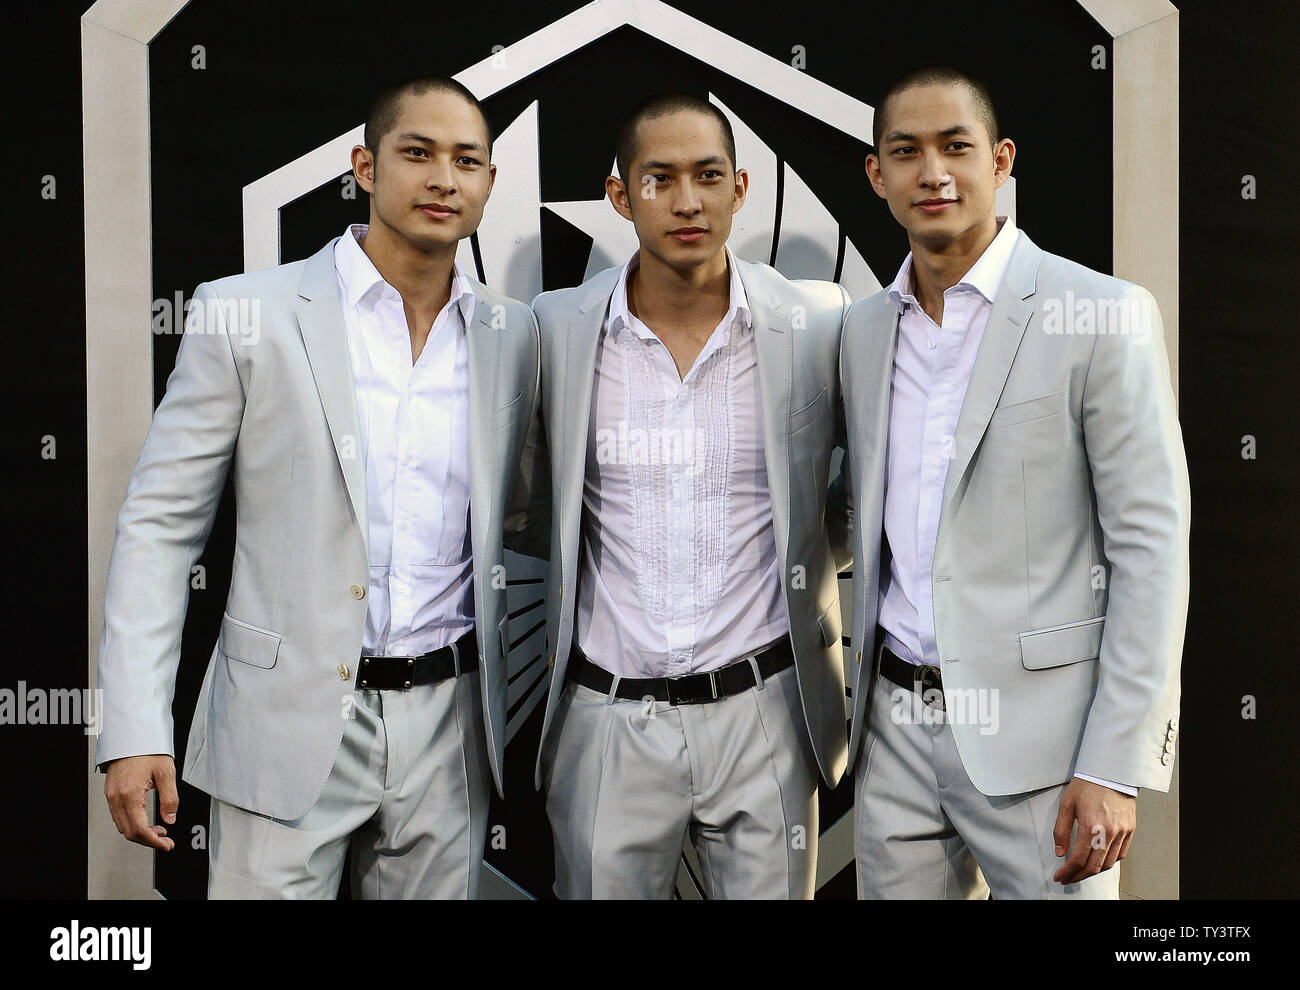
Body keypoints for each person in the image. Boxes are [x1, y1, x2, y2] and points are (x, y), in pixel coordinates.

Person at [96, 75, 543, 898]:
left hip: (451, 730)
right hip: (282, 724)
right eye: (418, 153)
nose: (444, 178)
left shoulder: (515, 336)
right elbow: (159, 529)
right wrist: (132, 726)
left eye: (467, 160)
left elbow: (524, 514)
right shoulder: (248, 315)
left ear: (488, 183)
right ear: (365, 167)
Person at [837, 66, 1190, 898]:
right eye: (906, 151)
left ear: (1000, 162)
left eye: (956, 147)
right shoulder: (859, 331)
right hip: (892, 732)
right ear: (875, 173)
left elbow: (1151, 548)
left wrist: (1114, 762)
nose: (933, 173)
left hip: (1048, 753)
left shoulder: (1102, 314)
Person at [525, 92, 851, 899]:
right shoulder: (554, 330)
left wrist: (808, 550)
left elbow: (867, 489)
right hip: (606, 718)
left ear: (742, 189)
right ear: (620, 195)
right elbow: (525, 502)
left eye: (708, 176)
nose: (687, 201)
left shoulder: (815, 323)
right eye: (660, 178)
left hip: (768, 710)